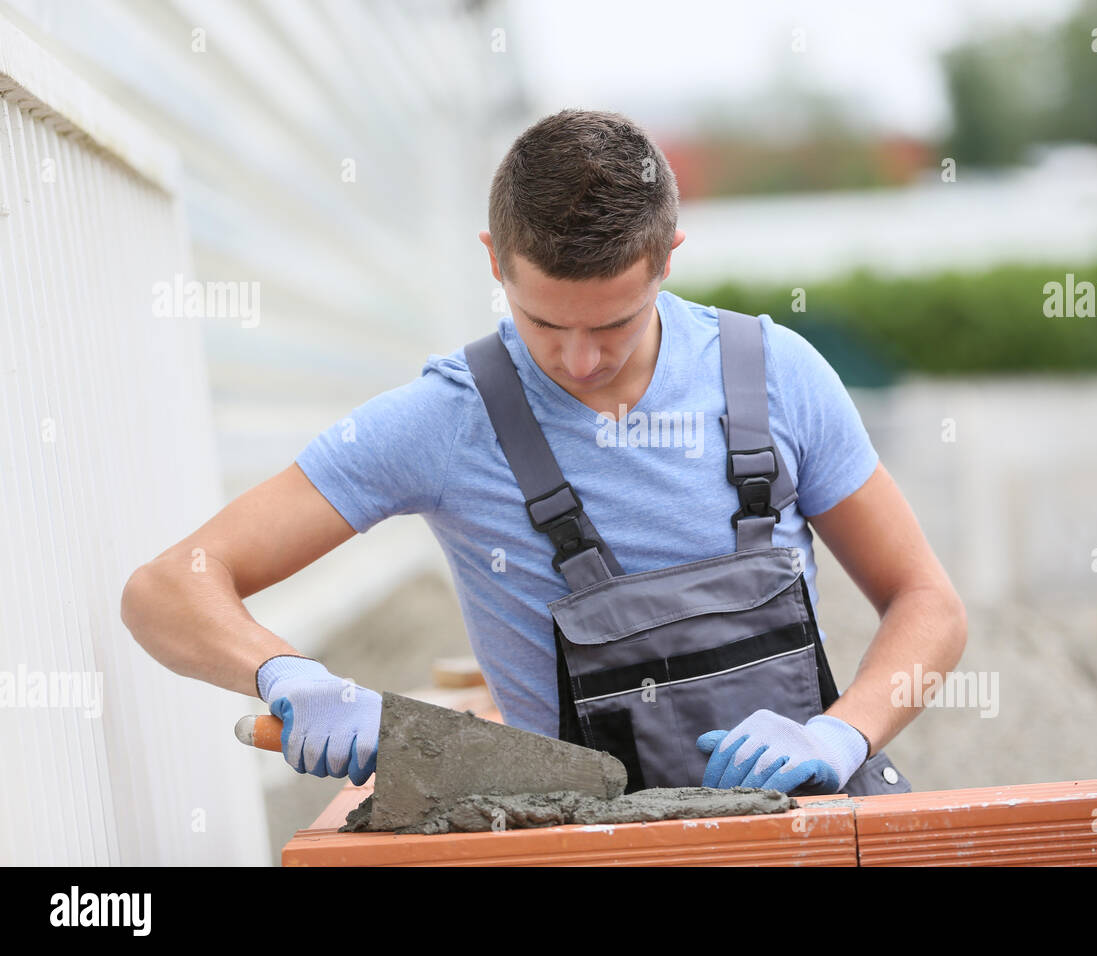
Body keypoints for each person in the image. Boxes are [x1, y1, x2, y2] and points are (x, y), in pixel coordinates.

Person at [121, 108, 966, 796]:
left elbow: (927, 601)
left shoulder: (776, 375)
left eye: (615, 324)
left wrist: (840, 731)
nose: (582, 362)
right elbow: (165, 588)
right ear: (495, 262)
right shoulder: (446, 421)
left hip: (804, 827)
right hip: (587, 844)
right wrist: (287, 674)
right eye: (546, 325)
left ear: (668, 258)